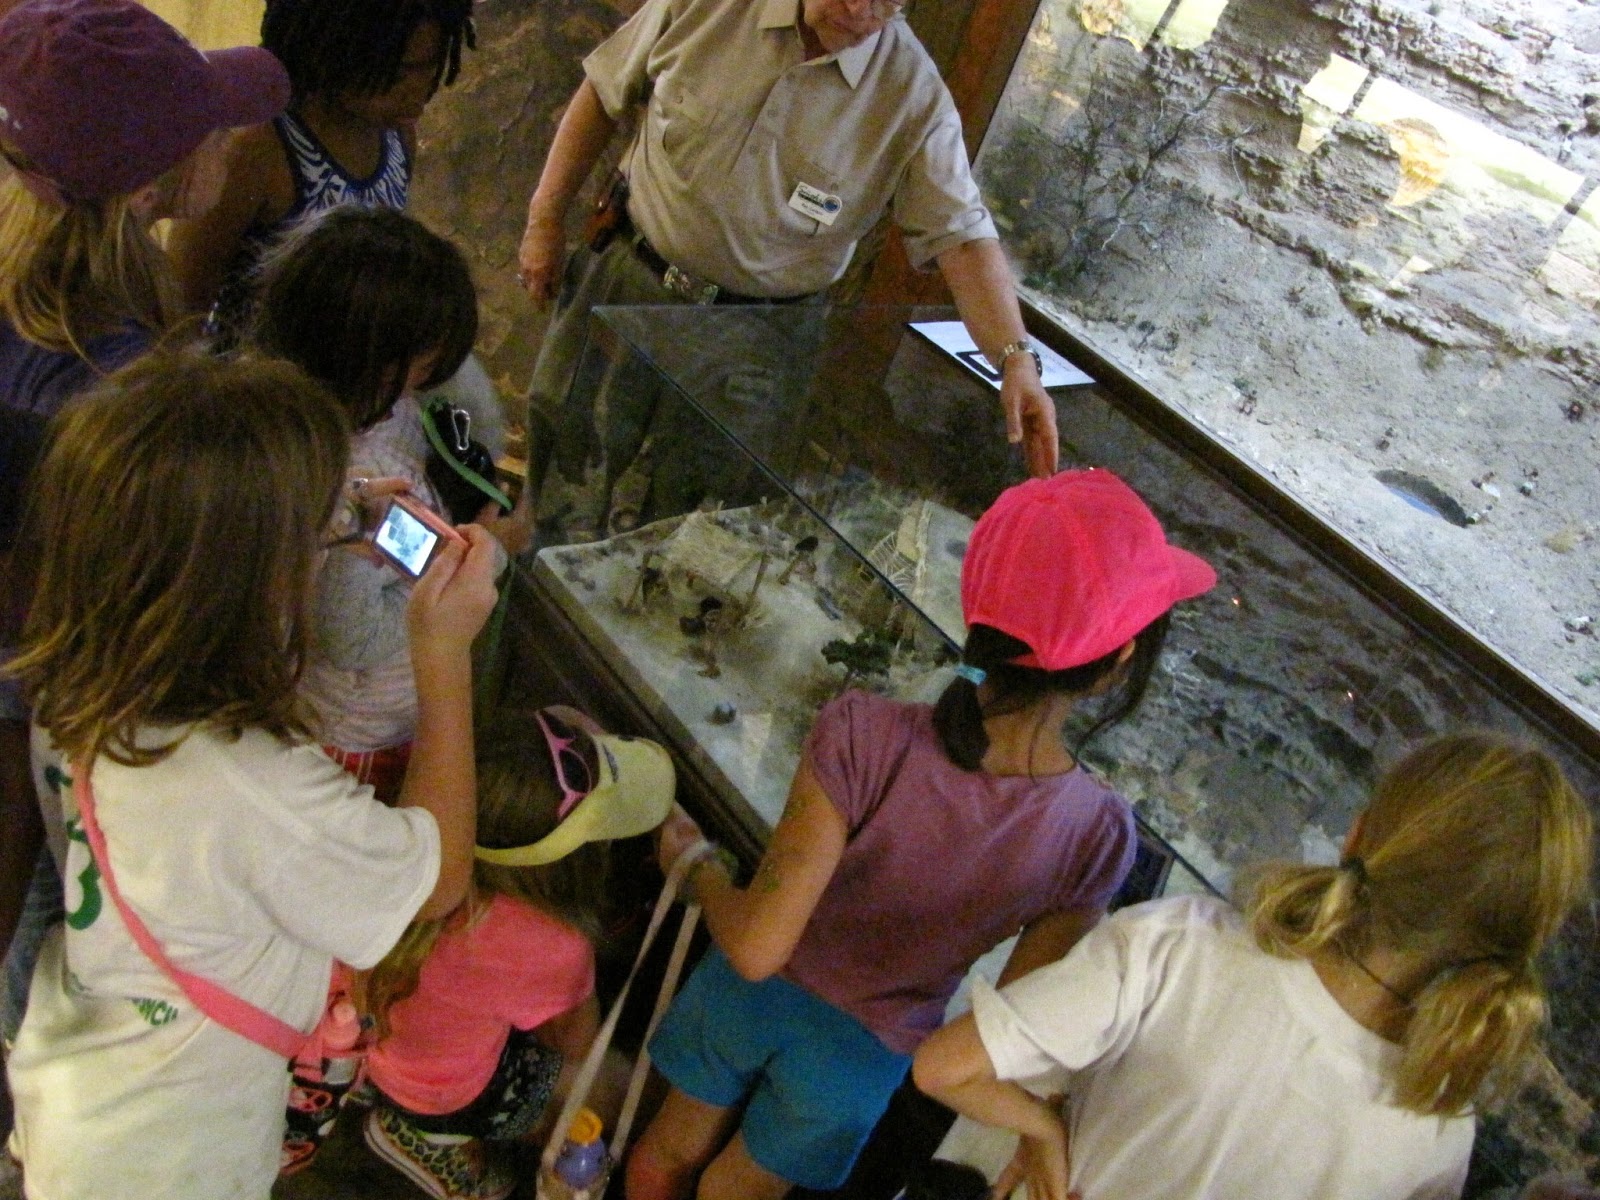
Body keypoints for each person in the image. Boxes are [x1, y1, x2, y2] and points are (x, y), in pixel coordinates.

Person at [628, 468, 1217, 1200]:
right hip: (861, 1059)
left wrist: (702, 868)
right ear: (1116, 666)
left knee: (665, 1154)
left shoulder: (862, 731)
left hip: (744, 1003)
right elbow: (1013, 1036)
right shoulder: (1098, 836)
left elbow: (754, 948)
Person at [4, 351, 498, 1200]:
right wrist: (442, 652)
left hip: (86, 1082)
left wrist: (342, 516)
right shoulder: (247, 786)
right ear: (249, 582)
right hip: (172, 1156)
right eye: (311, 529)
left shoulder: (78, 673)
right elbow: (438, 878)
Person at [0, 0, 290, 1128]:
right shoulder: (122, 389)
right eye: (211, 126)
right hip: (61, 725)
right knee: (40, 941)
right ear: (153, 182)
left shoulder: (44, 319)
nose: (232, 138)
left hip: (37, 693)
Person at [912, 732, 1595, 1200]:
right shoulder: (1438, 1129)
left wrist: (1048, 1120)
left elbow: (946, 1065)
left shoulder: (1180, 944)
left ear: (1357, 835)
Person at [514, 0, 1061, 541]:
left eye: (883, 1)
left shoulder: (912, 96)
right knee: (561, 468)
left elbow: (962, 236)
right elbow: (602, 95)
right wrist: (544, 222)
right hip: (627, 283)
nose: (857, 8)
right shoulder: (709, 6)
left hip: (755, 342)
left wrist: (1016, 360)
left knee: (687, 528)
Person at [250, 206, 515, 802]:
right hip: (360, 734)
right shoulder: (356, 486)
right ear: (377, 357)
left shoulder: (371, 412)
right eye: (426, 356)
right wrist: (487, 555)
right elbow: (350, 635)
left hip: (380, 708)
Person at [358, 708, 676, 1199]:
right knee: (630, 1091)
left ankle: (384, 1093)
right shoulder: (551, 944)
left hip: (368, 1041)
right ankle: (435, 1137)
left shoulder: (391, 839)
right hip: (441, 1092)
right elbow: (576, 1050)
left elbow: (561, 719)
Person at [166, 0, 474, 347]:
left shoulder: (395, 135)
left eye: (430, 68)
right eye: (398, 72)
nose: (419, 92)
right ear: (333, 51)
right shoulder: (256, 146)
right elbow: (180, 305)